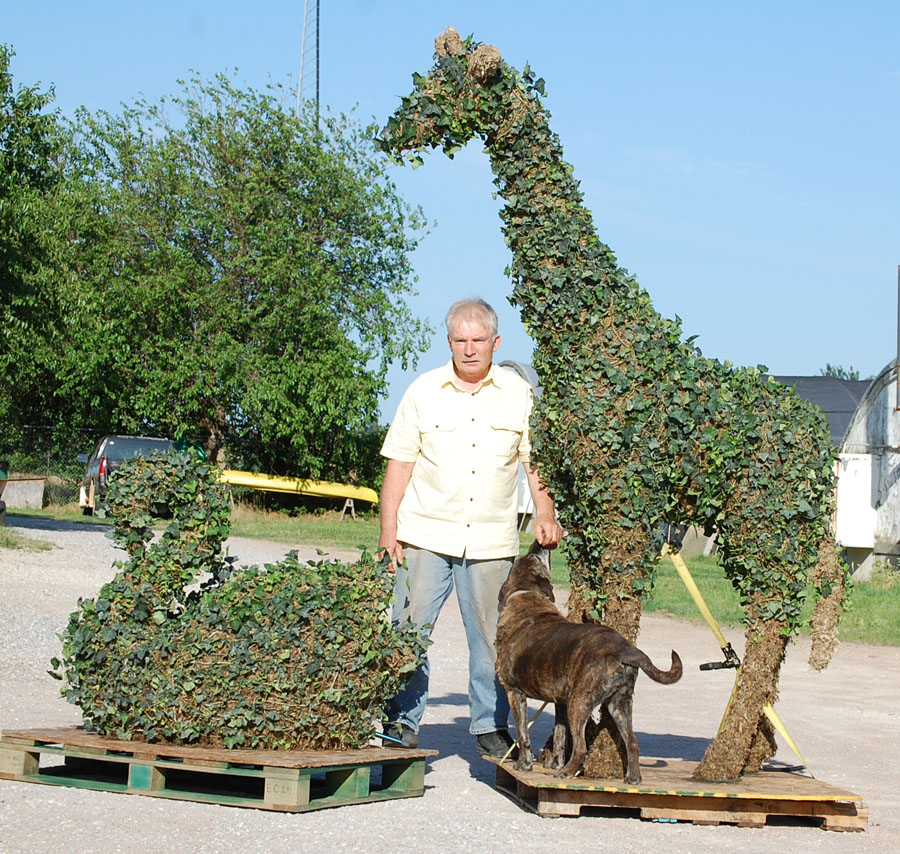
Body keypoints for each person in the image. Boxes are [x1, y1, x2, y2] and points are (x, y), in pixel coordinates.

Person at [379, 297, 564, 757]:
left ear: (495, 343)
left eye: (478, 340)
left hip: (489, 541)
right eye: (460, 340)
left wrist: (545, 513)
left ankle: (488, 726)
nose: (468, 349)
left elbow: (534, 463)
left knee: (491, 639)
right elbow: (398, 467)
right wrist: (388, 532)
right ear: (449, 343)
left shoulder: (519, 396)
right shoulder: (423, 391)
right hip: (423, 536)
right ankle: (400, 722)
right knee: (409, 631)